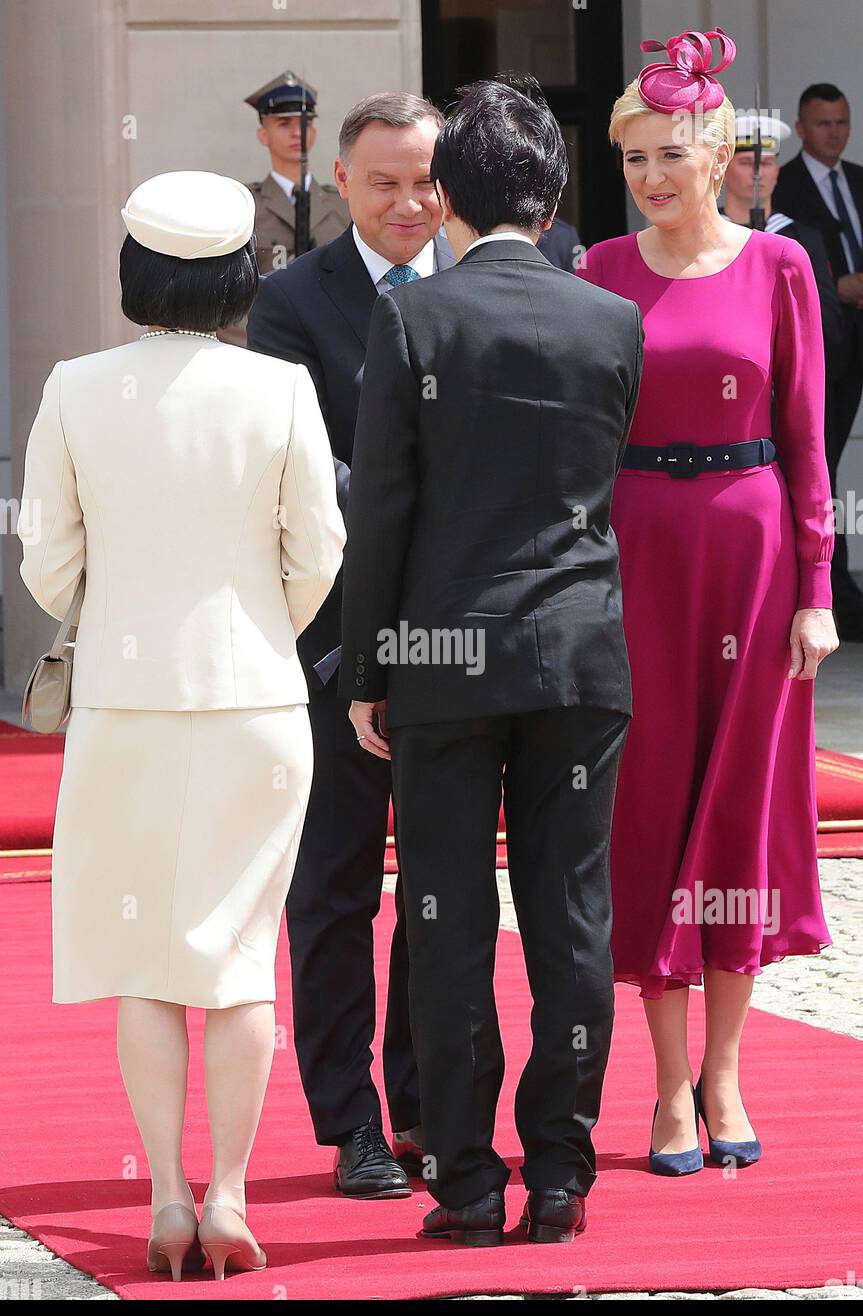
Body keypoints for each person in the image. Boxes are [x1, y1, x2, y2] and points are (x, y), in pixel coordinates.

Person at [16, 170, 345, 1278]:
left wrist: (117, 613)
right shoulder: (282, 388)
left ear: (131, 273)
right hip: (256, 699)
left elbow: (47, 562)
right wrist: (258, 623)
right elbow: (320, 554)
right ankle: (233, 1191)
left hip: (124, 701)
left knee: (145, 962)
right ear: (240, 278)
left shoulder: (74, 385)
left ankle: (164, 1196)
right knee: (243, 961)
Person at [340, 74, 642, 1245]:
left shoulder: (412, 318)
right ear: (556, 195)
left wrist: (367, 667)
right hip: (574, 655)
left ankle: (465, 1179)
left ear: (450, 197)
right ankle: (559, 1173)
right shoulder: (611, 319)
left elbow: (386, 516)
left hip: (443, 658)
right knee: (570, 918)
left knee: (444, 915)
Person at [576, 28, 838, 1177]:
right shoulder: (594, 269)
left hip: (753, 550)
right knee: (647, 803)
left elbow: (805, 440)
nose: (651, 178)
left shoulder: (778, 268)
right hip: (634, 559)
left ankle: (724, 1070)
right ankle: (662, 1082)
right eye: (635, 158)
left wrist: (816, 590)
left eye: (671, 155)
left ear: (719, 150)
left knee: (738, 809)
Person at [246, 93, 455, 1198]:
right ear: (338, 179)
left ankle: (423, 1107)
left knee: (438, 882)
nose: (409, 201)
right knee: (335, 888)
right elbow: (296, 463)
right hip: (331, 642)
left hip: (457, 642)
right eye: (383, 182)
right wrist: (427, 516)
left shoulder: (477, 282)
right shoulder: (289, 301)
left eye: (425, 179)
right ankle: (349, 1121)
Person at [774, 83, 863, 640]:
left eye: (842, 122)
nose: (835, 132)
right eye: (824, 124)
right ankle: (837, 592)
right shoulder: (780, 186)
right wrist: (842, 286)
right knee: (821, 463)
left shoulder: (858, 178)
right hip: (832, 344)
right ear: (803, 129)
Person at [219, 70, 350, 347]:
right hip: (262, 346)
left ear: (313, 132)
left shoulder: (344, 204)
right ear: (263, 134)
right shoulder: (243, 208)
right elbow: (229, 293)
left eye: (304, 123)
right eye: (283, 123)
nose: (296, 132)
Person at [723, 114, 847, 383]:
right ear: (722, 168)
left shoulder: (802, 239)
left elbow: (827, 322)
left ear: (778, 170)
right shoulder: (703, 234)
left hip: (785, 378)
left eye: (766, 163)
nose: (758, 173)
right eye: (746, 163)